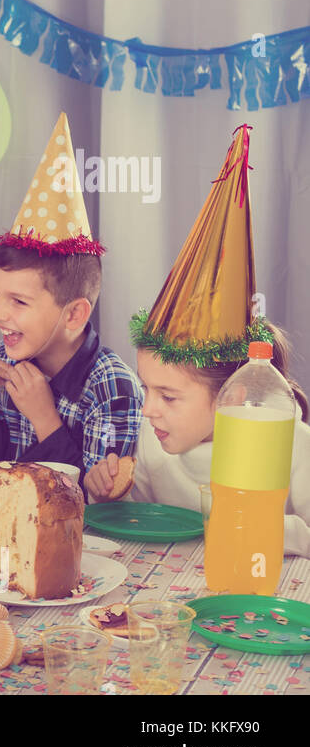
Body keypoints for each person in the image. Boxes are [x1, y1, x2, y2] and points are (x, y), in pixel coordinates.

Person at [85, 125, 310, 556]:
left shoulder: (292, 446)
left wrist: (255, 525)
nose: (147, 408)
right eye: (147, 388)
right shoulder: (155, 439)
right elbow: (147, 526)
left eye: (168, 396)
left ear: (234, 396)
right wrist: (110, 495)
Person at [0, 113, 142, 478]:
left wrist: (44, 418)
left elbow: (100, 504)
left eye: (18, 301)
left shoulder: (111, 387)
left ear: (73, 315)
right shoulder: (7, 357)